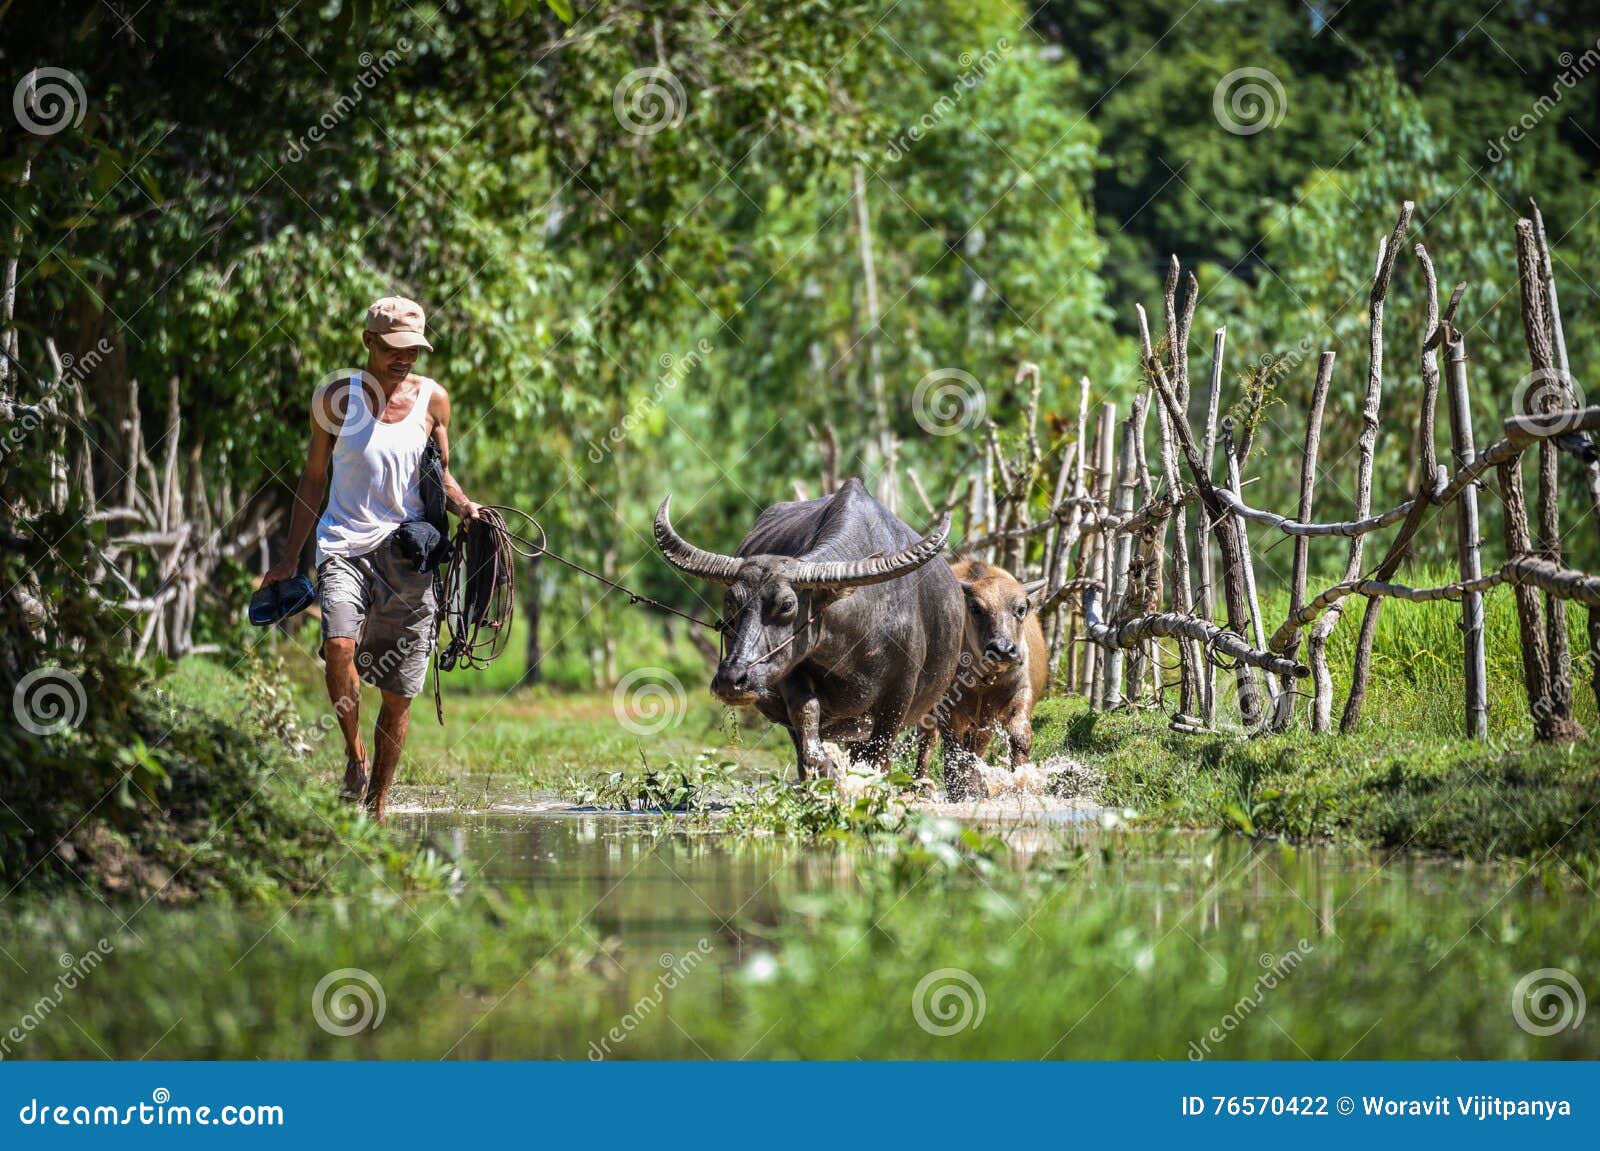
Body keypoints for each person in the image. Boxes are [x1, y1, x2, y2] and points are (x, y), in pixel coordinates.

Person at [264, 296, 480, 819]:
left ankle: (377, 807)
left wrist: (468, 508)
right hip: (343, 546)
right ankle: (354, 753)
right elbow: (313, 478)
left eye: (413, 350)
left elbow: (439, 476)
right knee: (339, 646)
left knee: (399, 694)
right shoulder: (335, 398)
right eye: (394, 348)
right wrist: (291, 559)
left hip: (408, 554)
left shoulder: (433, 400)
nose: (405, 358)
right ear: (368, 342)